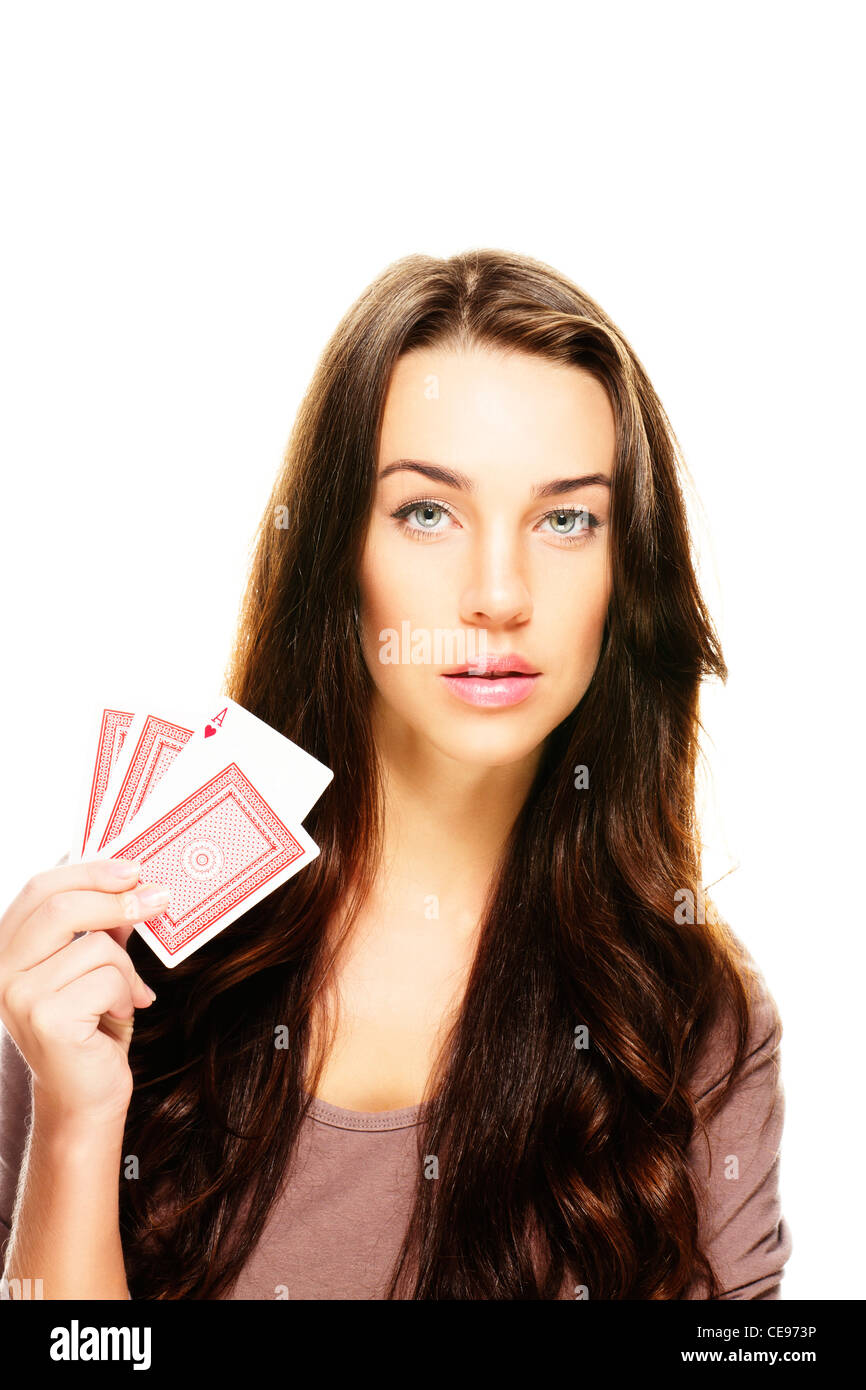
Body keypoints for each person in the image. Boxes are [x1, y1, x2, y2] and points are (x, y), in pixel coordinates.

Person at [0, 248, 792, 1300]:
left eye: (565, 519)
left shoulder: (691, 1023)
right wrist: (76, 1122)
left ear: (624, 571)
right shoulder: (112, 948)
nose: (498, 594)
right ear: (339, 551)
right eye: (428, 511)